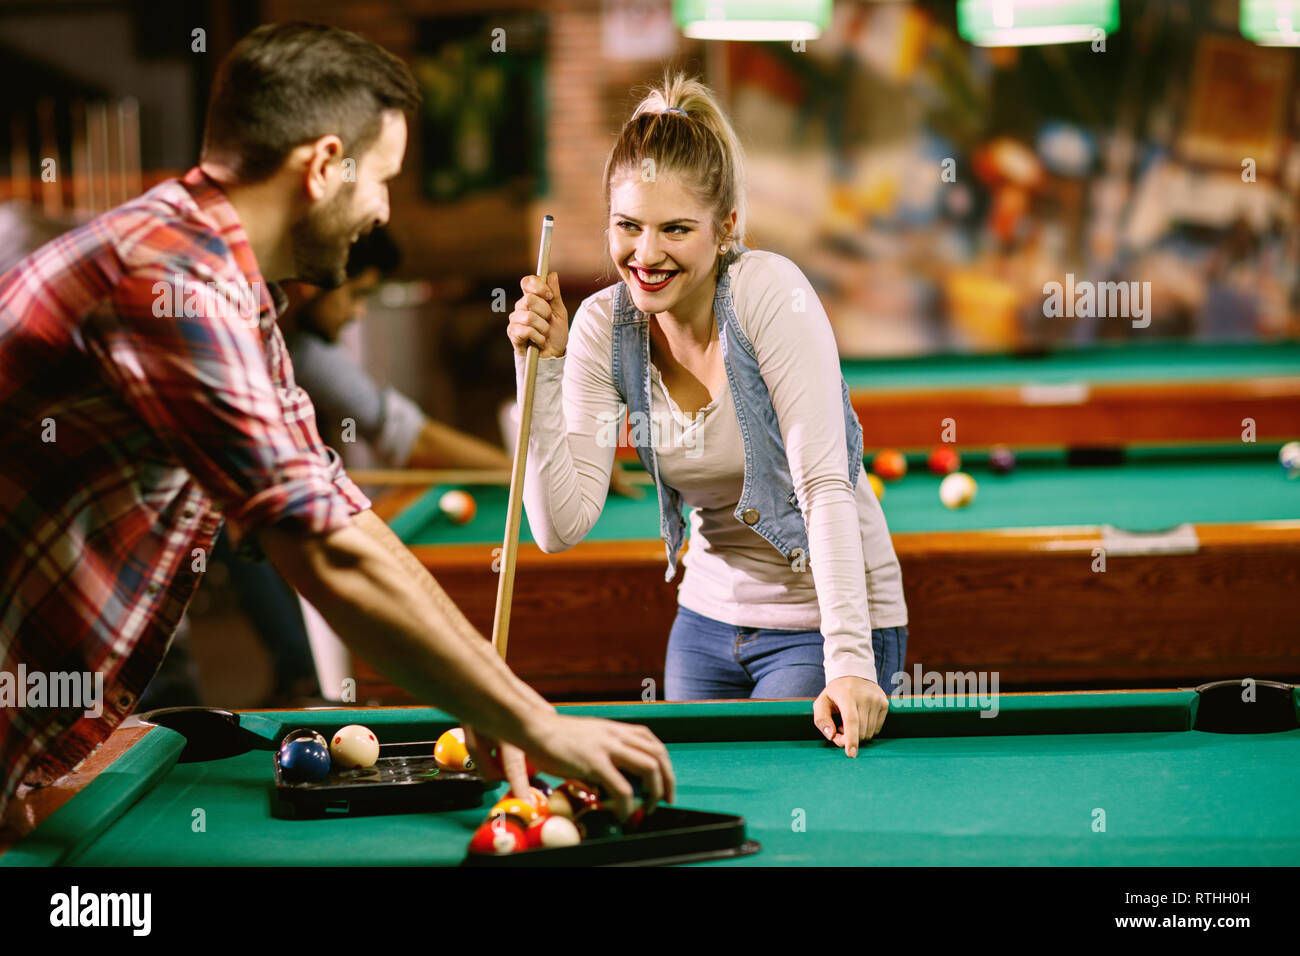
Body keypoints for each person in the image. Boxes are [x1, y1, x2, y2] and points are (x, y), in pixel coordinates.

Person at [0, 21, 672, 825]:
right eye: (381, 179)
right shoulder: (167, 278)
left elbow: (337, 507)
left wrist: (498, 702)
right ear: (323, 166)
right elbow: (323, 553)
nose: (383, 210)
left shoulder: (228, 283)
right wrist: (535, 722)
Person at [506, 75, 908, 756]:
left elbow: (825, 486)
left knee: (781, 811)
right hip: (705, 618)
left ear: (724, 229)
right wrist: (537, 368)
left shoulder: (770, 296)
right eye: (627, 226)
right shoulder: (603, 326)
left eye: (675, 230)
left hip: (825, 619)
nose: (646, 254)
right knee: (699, 796)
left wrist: (849, 663)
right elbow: (558, 526)